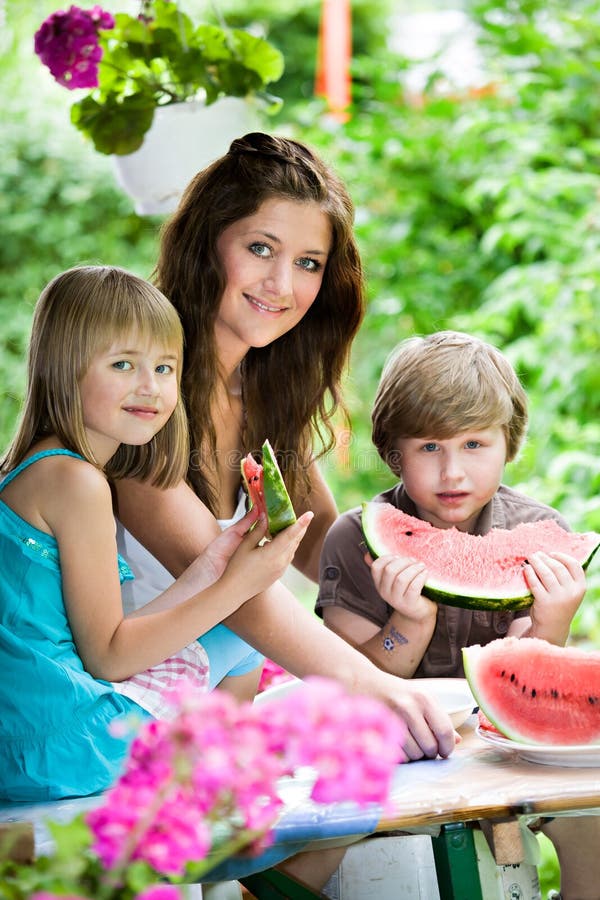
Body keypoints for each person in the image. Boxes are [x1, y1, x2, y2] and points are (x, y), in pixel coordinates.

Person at [114, 132, 456, 767]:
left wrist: (463, 588)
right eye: (260, 248)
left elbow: (329, 549)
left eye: (308, 263)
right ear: (206, 242)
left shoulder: (262, 393)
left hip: (217, 718)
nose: (280, 283)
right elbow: (230, 586)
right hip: (109, 730)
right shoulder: (141, 394)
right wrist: (370, 683)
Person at [0, 264, 312, 802]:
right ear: (63, 368)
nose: (151, 387)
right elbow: (111, 659)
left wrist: (212, 566)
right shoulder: (77, 482)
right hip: (70, 746)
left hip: (25, 746)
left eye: (166, 368)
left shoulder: (36, 469)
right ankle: (216, 807)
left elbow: (93, 638)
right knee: (241, 636)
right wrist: (240, 586)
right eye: (124, 364)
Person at [316, 329, 598, 900]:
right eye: (428, 448)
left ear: (509, 444)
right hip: (393, 754)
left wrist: (555, 618)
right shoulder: (354, 539)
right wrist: (408, 625)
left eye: (474, 445)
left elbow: (528, 688)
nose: (452, 474)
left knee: (593, 826)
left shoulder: (538, 535)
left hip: (503, 747)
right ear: (394, 453)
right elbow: (348, 682)